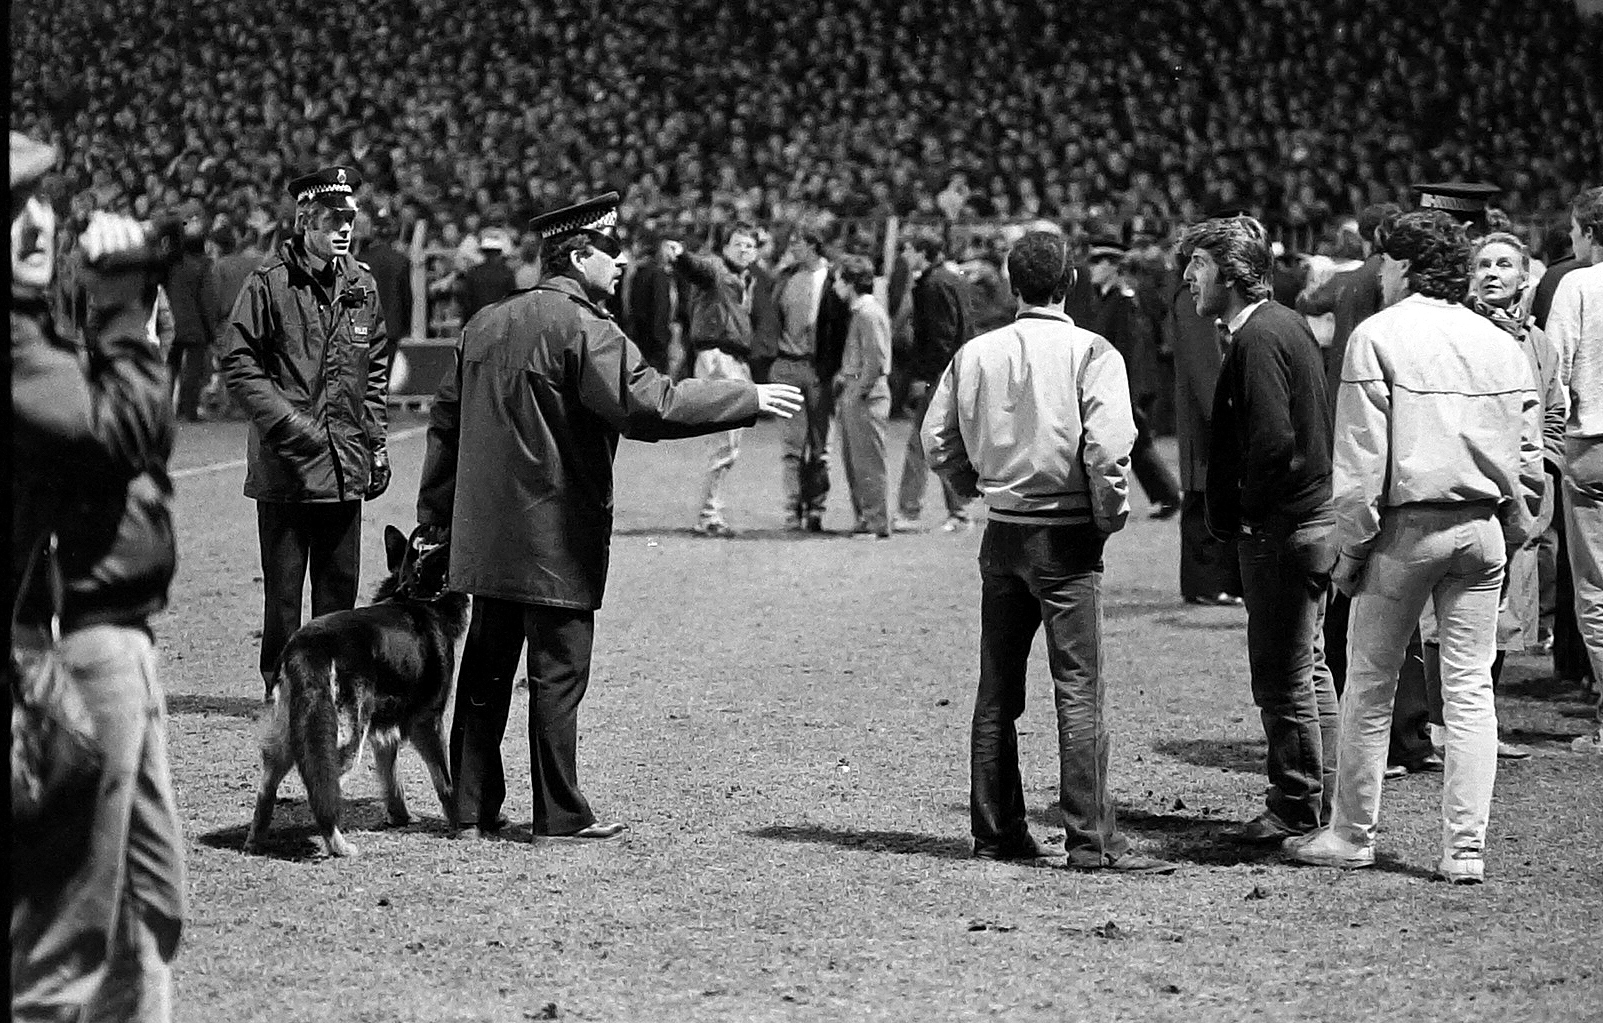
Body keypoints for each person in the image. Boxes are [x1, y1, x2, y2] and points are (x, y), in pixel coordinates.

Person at [416, 192, 801, 840]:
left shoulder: (483, 323)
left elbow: (445, 426)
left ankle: (468, 806)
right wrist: (745, 396)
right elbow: (650, 403)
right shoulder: (584, 327)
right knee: (557, 674)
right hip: (554, 531)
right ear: (580, 252)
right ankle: (559, 812)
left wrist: (434, 517)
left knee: (485, 671)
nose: (622, 262)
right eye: (613, 248)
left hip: (484, 534)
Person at [1287, 210, 1542, 884]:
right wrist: (1511, 528)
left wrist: (1349, 551)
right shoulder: (1499, 342)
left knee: (1369, 684)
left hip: (1405, 528)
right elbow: (1528, 457)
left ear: (1397, 264)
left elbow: (1362, 463)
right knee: (1467, 693)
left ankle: (1352, 831)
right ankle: (1464, 849)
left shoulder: (1378, 336)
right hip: (1481, 527)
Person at [923, 230, 1177, 874]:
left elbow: (937, 440)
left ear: (1014, 285)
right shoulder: (1092, 351)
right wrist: (1107, 514)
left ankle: (998, 831)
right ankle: (1090, 839)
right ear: (1068, 284)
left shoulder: (977, 353)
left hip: (1002, 529)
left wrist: (972, 487)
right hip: (1066, 533)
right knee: (1078, 689)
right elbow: (1109, 448)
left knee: (997, 692)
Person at [10, 131, 186, 1023]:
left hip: (99, 631)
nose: (41, 217)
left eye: (42, 196)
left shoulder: (29, 328)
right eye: (16, 204)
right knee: (62, 953)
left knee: (145, 912)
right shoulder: (13, 343)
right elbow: (123, 433)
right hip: (59, 646)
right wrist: (120, 314)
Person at [1181, 214, 1337, 844]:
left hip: (1282, 527)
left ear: (1229, 273)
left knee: (1282, 676)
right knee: (1311, 666)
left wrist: (1248, 512)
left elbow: (1273, 440)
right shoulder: (1283, 325)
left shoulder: (1259, 337)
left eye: (1197, 264)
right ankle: (1327, 794)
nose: (1189, 277)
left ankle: (1296, 806)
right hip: (1306, 520)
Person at [220, 165, 392, 697]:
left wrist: (377, 440)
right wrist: (291, 426)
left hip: (345, 464)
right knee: (285, 593)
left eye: (350, 219)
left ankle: (333, 686)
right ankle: (281, 686)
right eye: (333, 219)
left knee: (340, 590)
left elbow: (375, 368)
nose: (345, 229)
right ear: (304, 221)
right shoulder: (268, 284)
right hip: (288, 468)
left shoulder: (362, 284)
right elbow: (238, 362)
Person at [1545, 186, 1603, 753]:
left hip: (1593, 444)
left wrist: (1553, 443)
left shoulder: (1578, 285)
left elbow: (1555, 368)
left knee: (1597, 588)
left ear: (1587, 232)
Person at [1072, 236, 1180, 519]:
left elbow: (1131, 350)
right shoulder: (1109, 297)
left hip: (1119, 384)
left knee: (1131, 443)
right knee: (1134, 443)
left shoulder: (1123, 300)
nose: (1092, 267)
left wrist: (1130, 392)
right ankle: (1167, 495)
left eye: (1098, 261)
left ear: (1113, 265)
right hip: (1110, 383)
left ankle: (1167, 494)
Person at [675, 221, 763, 536]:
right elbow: (697, 269)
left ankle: (710, 512)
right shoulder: (715, 268)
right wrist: (681, 256)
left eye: (749, 245)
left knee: (728, 443)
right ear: (724, 248)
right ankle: (708, 515)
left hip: (733, 359)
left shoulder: (745, 277)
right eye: (738, 244)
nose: (743, 250)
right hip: (717, 357)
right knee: (727, 441)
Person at [1169, 269, 1243, 605]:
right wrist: (1222, 411)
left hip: (1214, 409)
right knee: (1202, 495)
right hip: (1206, 416)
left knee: (1213, 494)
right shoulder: (1191, 298)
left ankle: (1218, 581)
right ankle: (1206, 583)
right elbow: (1204, 365)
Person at [770, 226, 849, 530]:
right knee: (792, 444)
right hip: (788, 366)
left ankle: (816, 508)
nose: (792, 249)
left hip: (819, 370)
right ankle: (793, 509)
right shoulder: (786, 278)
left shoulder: (831, 280)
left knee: (820, 445)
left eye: (797, 243)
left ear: (814, 246)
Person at [894, 234, 974, 532]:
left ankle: (910, 510)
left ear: (923, 252)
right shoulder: (951, 279)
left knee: (922, 443)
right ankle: (958, 511)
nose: (904, 254)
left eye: (908, 249)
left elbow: (939, 337)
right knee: (944, 443)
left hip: (940, 375)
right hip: (956, 371)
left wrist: (924, 377)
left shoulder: (931, 285)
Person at [832, 253, 893, 538]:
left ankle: (875, 521)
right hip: (855, 392)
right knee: (855, 461)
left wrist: (856, 392)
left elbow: (877, 361)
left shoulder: (868, 313)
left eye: (838, 279)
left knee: (868, 462)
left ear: (850, 282)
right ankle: (865, 518)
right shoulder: (860, 312)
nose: (835, 285)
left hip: (866, 396)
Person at [162, 200, 218, 421]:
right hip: (195, 324)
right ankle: (189, 410)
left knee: (170, 368)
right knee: (193, 370)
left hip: (170, 321)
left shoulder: (170, 264)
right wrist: (212, 330)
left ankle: (165, 411)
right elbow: (207, 301)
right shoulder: (203, 265)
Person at [353, 208, 413, 373]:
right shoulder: (400, 260)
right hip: (391, 329)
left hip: (365, 329)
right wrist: (405, 327)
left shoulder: (360, 261)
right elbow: (406, 297)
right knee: (382, 380)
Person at [458, 227, 516, 324]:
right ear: (499, 252)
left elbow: (467, 303)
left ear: (484, 253)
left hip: (479, 322)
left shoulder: (474, 273)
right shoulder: (507, 273)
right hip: (501, 323)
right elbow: (513, 301)